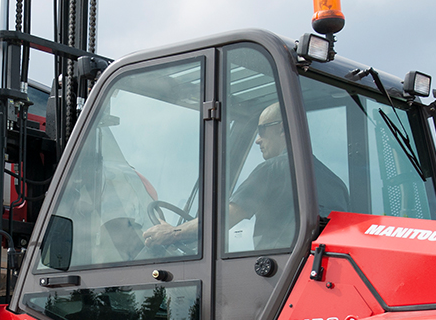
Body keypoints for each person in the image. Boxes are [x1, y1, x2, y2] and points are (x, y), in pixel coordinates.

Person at [143, 102, 348, 252]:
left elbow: (223, 220)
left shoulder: (272, 170)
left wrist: (173, 233)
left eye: (261, 130)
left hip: (274, 275)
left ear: (283, 129)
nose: (258, 140)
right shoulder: (336, 184)